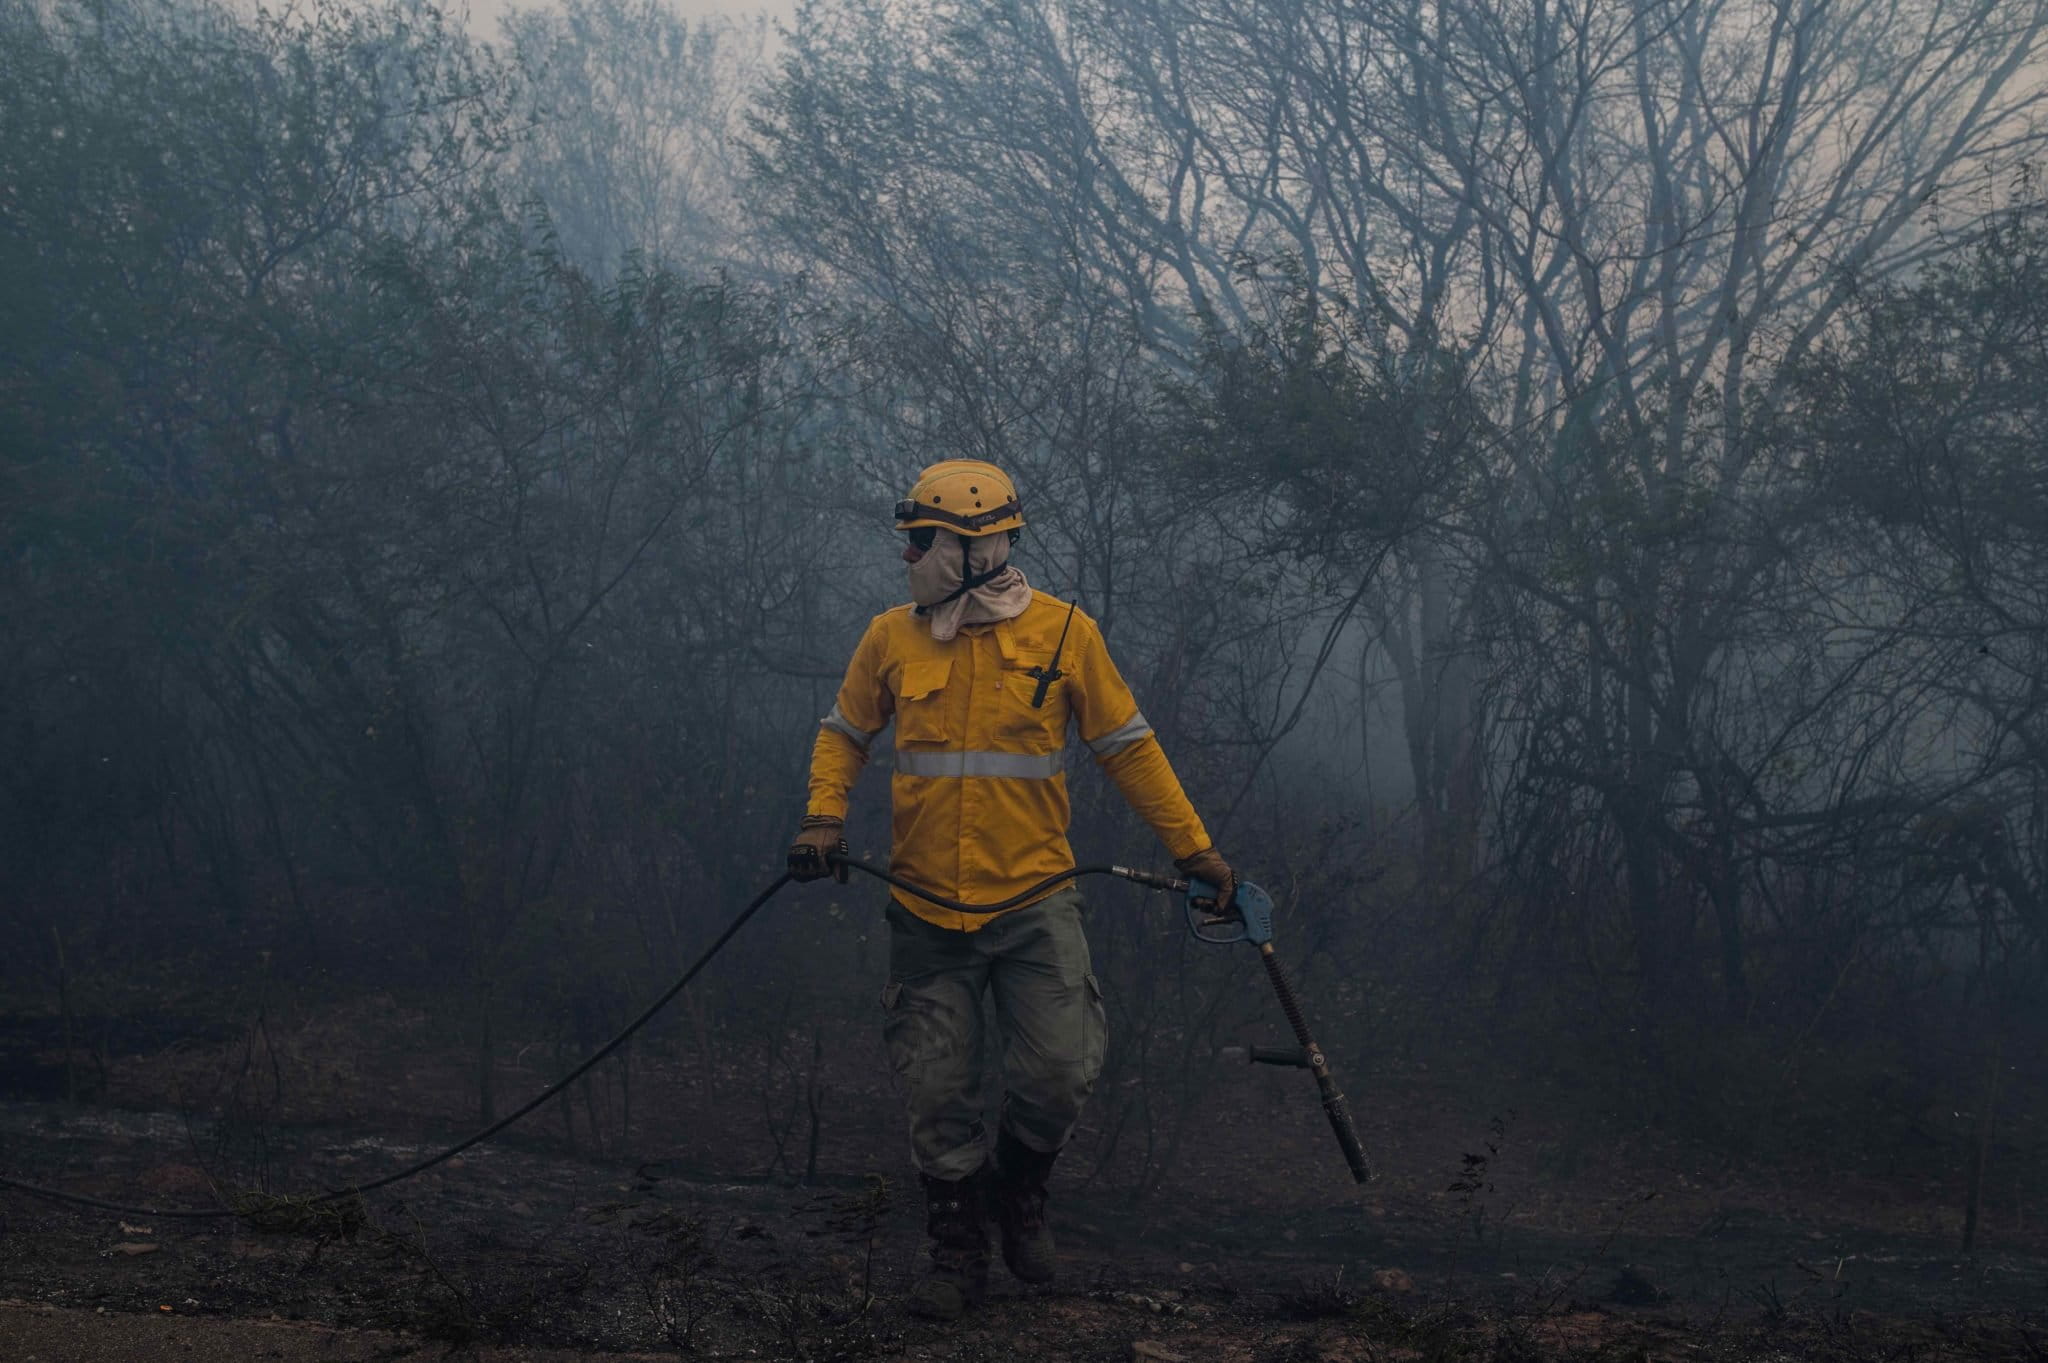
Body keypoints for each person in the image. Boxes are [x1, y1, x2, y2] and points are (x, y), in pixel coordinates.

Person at [786, 459, 1236, 1320]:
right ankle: (958, 1253)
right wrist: (821, 819)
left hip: (1034, 901)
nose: (908, 554)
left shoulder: (1067, 637)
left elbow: (1131, 749)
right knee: (936, 1088)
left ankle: (1020, 1192)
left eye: (920, 540)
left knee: (1060, 1071)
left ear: (973, 545)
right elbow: (843, 735)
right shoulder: (891, 637)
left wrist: (1197, 852)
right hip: (925, 910)